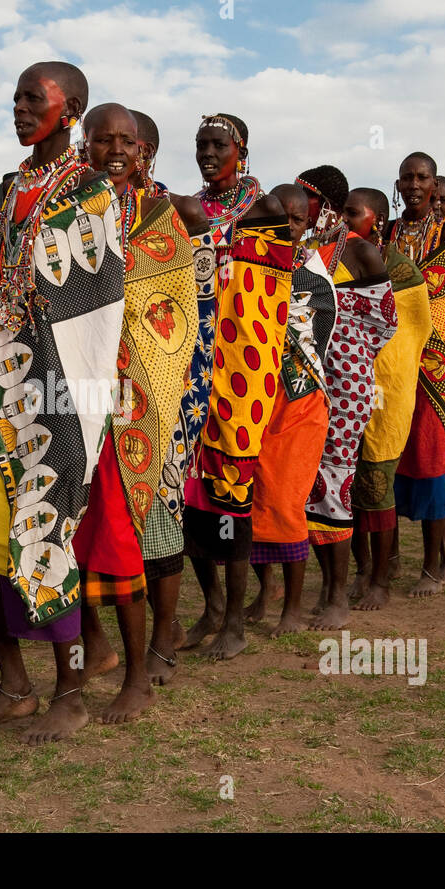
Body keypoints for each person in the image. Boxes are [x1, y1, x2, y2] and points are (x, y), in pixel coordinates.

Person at [0, 61, 123, 745]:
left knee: (46, 534)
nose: (17, 107)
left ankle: (70, 688)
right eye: (13, 97)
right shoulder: (14, 185)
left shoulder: (91, 191)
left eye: (30, 98)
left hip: (58, 388)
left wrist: (65, 392)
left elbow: (95, 304)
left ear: (68, 109)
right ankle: (15, 684)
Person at [74, 103, 198, 720]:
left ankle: (160, 645)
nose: (116, 151)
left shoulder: (158, 216)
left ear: (144, 151)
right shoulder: (70, 207)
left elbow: (175, 304)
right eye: (103, 140)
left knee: (153, 523)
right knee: (85, 514)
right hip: (77, 387)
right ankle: (95, 642)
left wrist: (137, 366)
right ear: (86, 143)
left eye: (127, 142)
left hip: (149, 390)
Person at [179, 112, 288, 660]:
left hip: (243, 369)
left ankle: (237, 626)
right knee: (188, 491)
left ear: (240, 147)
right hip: (192, 366)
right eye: (200, 144)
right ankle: (213, 606)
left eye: (217, 144)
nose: (207, 153)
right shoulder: (190, 209)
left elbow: (268, 297)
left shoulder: (264, 209)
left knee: (232, 495)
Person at [296, 166, 396, 630]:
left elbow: (386, 320)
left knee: (334, 482)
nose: (297, 203)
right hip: (305, 381)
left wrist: (346, 344)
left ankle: (337, 595)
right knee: (304, 481)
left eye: (307, 196)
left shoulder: (359, 252)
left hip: (347, 382)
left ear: (328, 206)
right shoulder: (302, 250)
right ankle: (318, 586)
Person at [386, 152, 445, 598]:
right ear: (398, 184)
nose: (414, 184)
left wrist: (423, 327)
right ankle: (384, 564)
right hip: (389, 361)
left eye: (422, 177)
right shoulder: (388, 233)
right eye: (407, 178)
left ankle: (436, 564)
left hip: (434, 363)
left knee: (429, 456)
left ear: (436, 184)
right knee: (385, 453)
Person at [244, 183, 334, 633]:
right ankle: (268, 591)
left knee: (284, 501)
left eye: (295, 221)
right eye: (276, 218)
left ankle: (293, 610)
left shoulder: (314, 280)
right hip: (251, 398)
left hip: (298, 399)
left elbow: (314, 343)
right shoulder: (247, 266)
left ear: (308, 225)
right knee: (251, 495)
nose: (285, 228)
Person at [346, 186, 430, 612]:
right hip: (345, 387)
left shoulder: (402, 271)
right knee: (347, 482)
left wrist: (376, 369)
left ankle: (381, 579)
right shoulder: (334, 259)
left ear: (376, 219)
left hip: (386, 388)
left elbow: (412, 333)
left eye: (351, 213)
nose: (342, 221)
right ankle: (362, 569)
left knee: (377, 482)